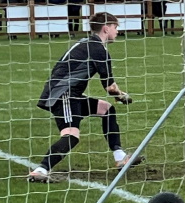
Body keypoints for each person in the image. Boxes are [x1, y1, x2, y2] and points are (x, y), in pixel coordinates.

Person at [27, 12, 139, 182]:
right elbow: (110, 87)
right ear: (106, 28)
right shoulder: (99, 50)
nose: (117, 31)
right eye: (116, 27)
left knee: (106, 109)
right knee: (71, 136)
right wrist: (123, 96)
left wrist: (119, 95)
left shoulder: (86, 43)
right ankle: (41, 169)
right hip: (64, 94)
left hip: (70, 94)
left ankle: (120, 157)